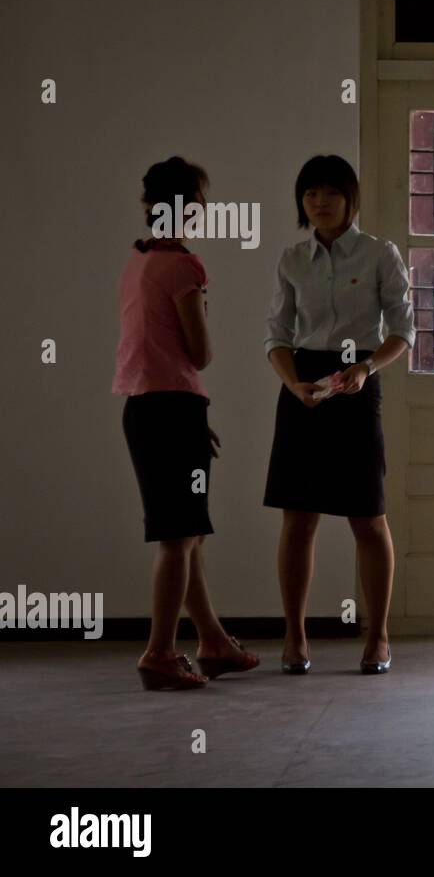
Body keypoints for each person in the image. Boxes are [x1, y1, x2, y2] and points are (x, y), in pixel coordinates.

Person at [263, 155, 415, 675]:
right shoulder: (291, 259)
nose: (320, 203)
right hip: (302, 386)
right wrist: (293, 384)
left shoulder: (379, 254)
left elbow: (403, 331)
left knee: (368, 519)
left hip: (356, 385)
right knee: (298, 519)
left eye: (330, 193)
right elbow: (277, 337)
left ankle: (378, 636)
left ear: (352, 199)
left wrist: (367, 369)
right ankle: (295, 637)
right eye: (310, 194)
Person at [113, 156, 261, 690]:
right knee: (179, 537)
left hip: (149, 407)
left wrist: (193, 417)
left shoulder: (138, 261)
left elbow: (159, 354)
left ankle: (213, 641)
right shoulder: (183, 266)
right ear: (192, 207)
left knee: (189, 532)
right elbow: (200, 353)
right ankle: (159, 653)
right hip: (171, 409)